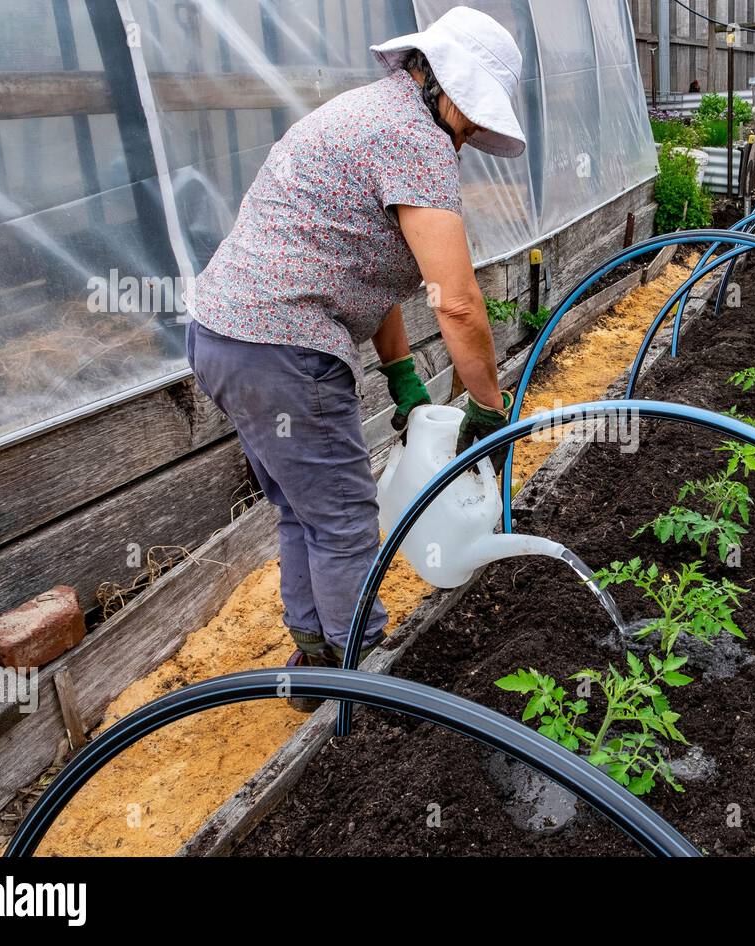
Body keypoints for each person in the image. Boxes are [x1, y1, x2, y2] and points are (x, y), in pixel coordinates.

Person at [186, 7, 525, 709]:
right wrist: (491, 410)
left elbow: (367, 269)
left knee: (302, 511)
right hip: (283, 347)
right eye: (471, 119)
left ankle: (314, 662)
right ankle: (362, 683)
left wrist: (403, 377)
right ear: (442, 82)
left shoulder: (372, 112)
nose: (467, 137)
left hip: (226, 339)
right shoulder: (415, 139)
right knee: (342, 520)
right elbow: (458, 304)